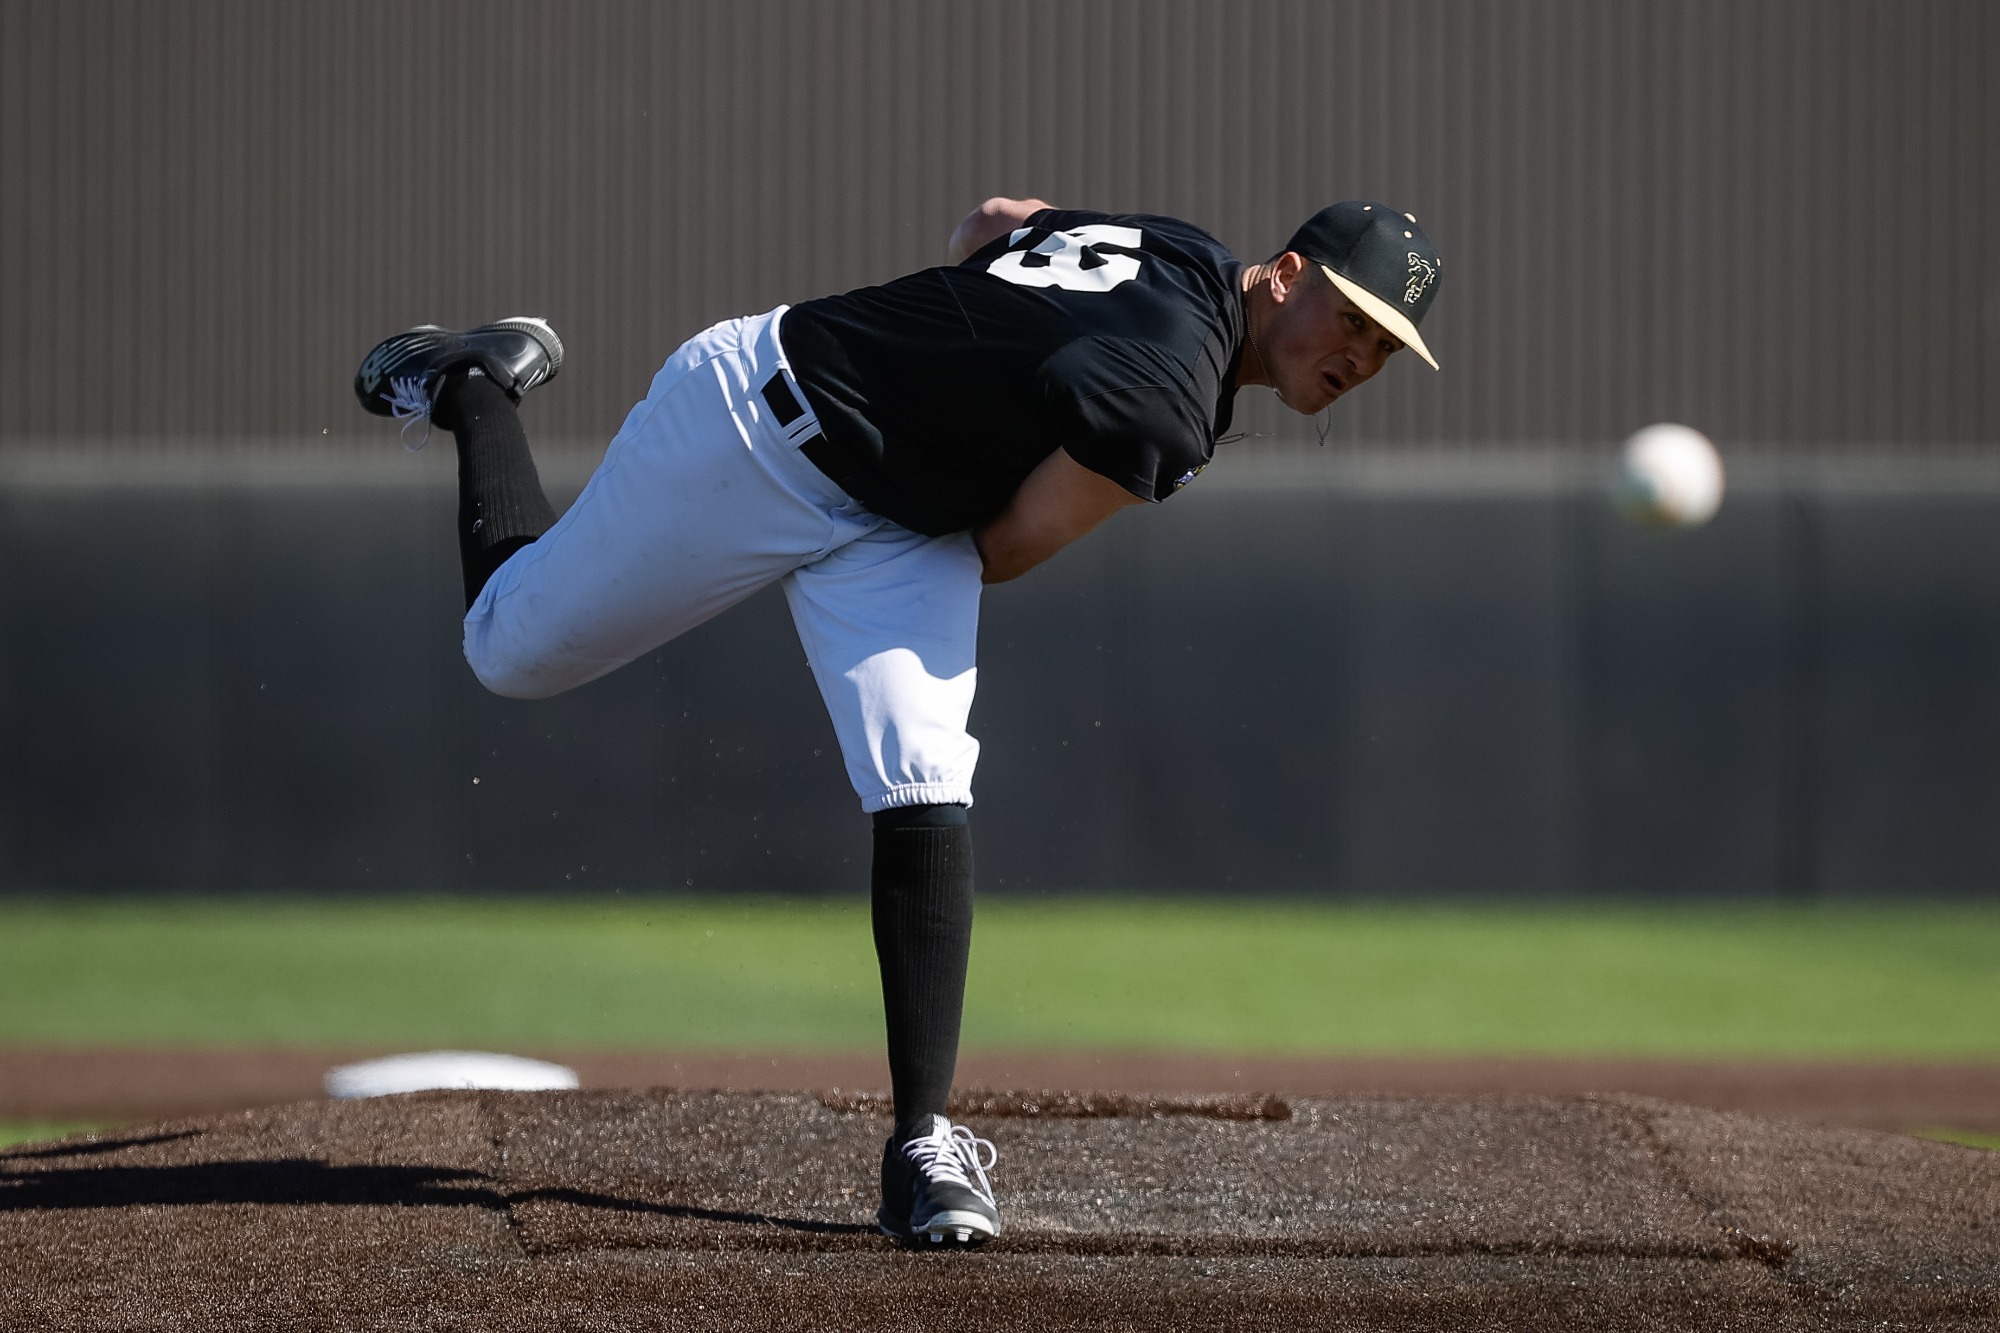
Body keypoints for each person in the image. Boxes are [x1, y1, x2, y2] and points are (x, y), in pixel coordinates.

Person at [352, 197, 1442, 1246]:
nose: (1360, 351)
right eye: (1351, 314)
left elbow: (997, 219)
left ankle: (922, 1143)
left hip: (898, 512)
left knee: (923, 769)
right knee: (508, 651)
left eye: (1385, 342)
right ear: (1287, 275)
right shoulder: (1169, 397)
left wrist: (964, 354)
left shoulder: (1180, 248)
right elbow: (1006, 550)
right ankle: (475, 381)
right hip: (757, 426)